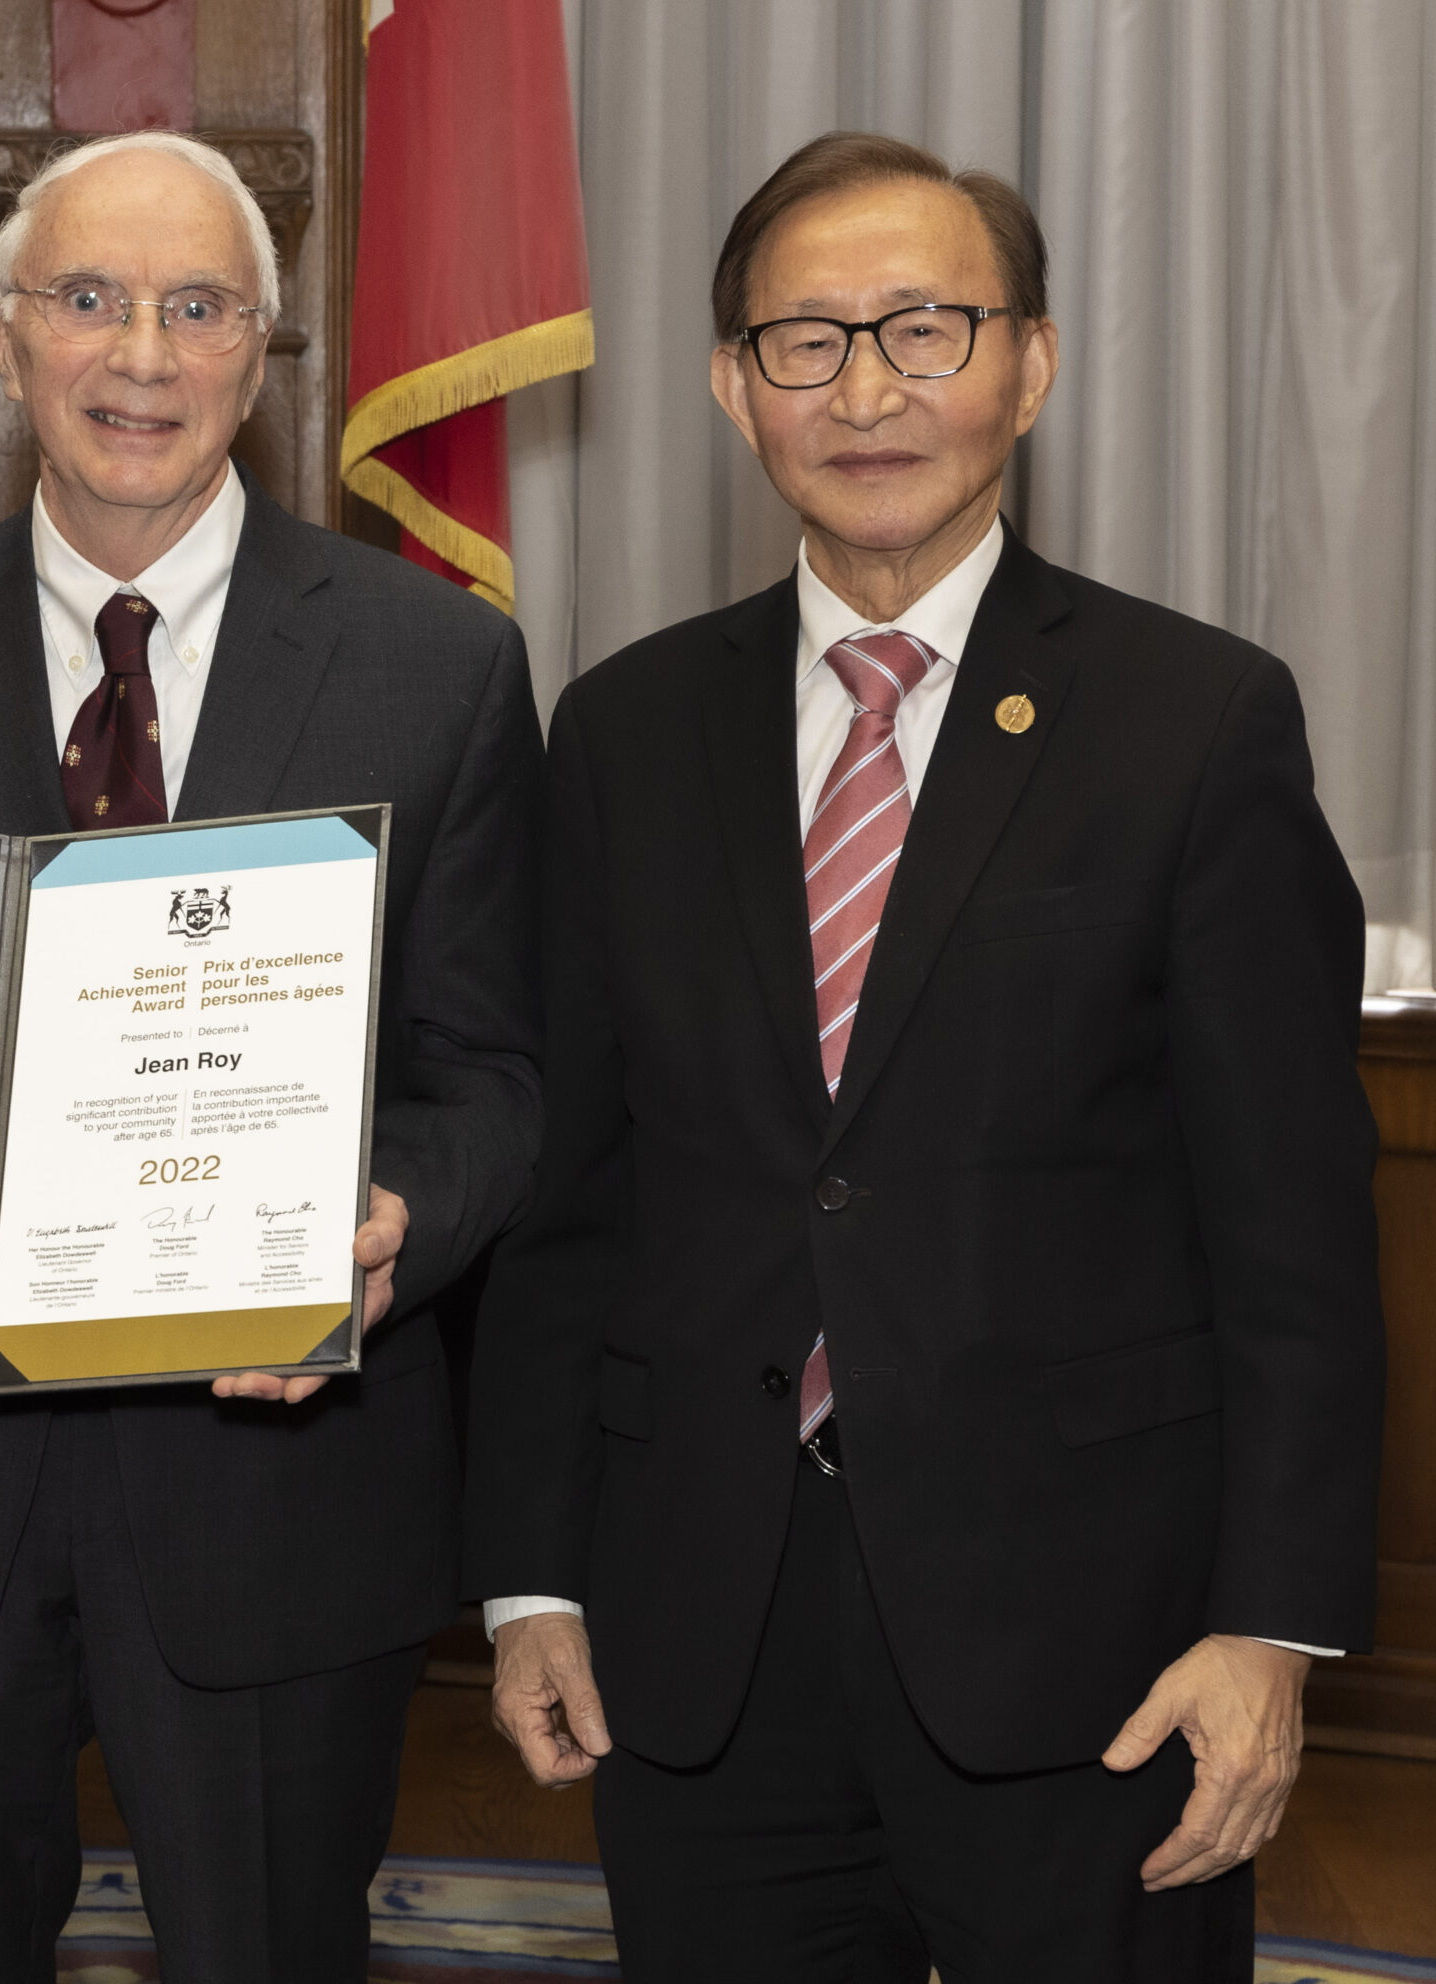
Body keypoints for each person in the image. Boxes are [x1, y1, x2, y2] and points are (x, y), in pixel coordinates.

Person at [463, 130, 1386, 1982]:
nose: (867, 390)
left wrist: (1270, 1627)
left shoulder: (1196, 721)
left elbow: (1294, 1233)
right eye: (805, 341)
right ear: (735, 389)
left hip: (1095, 1646)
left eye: (927, 330)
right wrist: (532, 1578)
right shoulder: (630, 729)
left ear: (1029, 364)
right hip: (701, 1626)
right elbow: (575, 1202)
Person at [0, 129, 543, 1982]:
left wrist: (392, 1215)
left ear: (263, 354)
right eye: (86, 300)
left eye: (196, 307)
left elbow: (504, 1077)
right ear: (3, 345)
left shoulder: (442, 669)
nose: (142, 357)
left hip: (274, 1501)